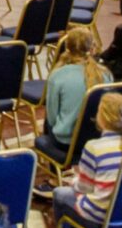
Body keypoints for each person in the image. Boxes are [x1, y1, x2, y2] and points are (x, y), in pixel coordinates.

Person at [49, 91, 122, 228]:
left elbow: (83, 189)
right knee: (79, 200)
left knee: (60, 194)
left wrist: (73, 181)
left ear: (102, 118)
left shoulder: (94, 147)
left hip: (100, 216)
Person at [38, 26, 108, 161]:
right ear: (92, 48)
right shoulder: (106, 74)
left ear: (67, 47)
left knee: (48, 122)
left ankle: (54, 174)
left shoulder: (57, 76)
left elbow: (52, 119)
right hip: (97, 136)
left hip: (66, 142)